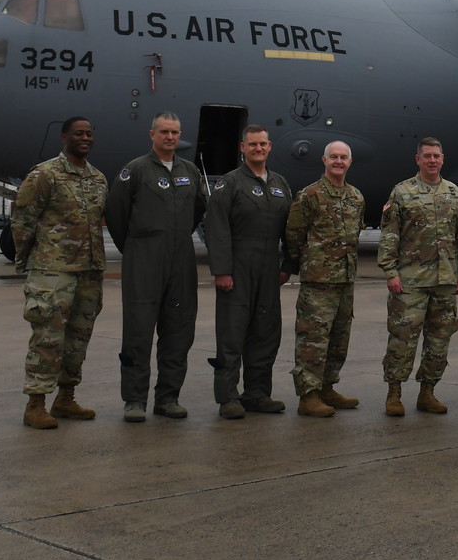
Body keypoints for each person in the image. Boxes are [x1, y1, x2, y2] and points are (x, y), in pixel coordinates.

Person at [105, 111, 208, 421]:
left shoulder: (189, 171)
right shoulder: (134, 171)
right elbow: (116, 213)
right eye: (164, 132)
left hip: (181, 261)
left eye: (175, 132)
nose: (170, 137)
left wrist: (174, 239)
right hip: (143, 261)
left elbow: (199, 208)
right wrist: (137, 247)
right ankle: (134, 400)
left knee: (178, 331)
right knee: (138, 332)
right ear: (152, 135)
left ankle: (168, 398)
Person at [10, 116, 106, 429]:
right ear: (64, 137)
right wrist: (27, 260)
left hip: (88, 272)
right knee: (47, 338)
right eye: (78, 133)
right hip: (52, 270)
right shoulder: (45, 174)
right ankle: (35, 404)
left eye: (89, 134)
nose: (85, 138)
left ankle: (66, 398)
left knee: (78, 338)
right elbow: (23, 220)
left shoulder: (98, 179)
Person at [376, 137, 458, 416]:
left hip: (444, 282)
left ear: (443, 159)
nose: (432, 160)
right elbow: (390, 235)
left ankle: (427, 392)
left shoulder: (454, 193)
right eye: (427, 156)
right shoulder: (403, 192)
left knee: (439, 340)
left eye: (436, 156)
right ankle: (394, 393)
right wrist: (390, 272)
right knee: (402, 338)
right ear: (417, 159)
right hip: (410, 281)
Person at [204, 125, 292, 419]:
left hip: (268, 268)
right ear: (242, 148)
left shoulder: (280, 184)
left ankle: (257, 393)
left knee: (265, 334)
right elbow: (216, 228)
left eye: (262, 144)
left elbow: (290, 230)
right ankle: (228, 396)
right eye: (252, 144)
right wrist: (222, 270)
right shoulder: (229, 184)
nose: (258, 149)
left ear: (269, 148)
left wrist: (287, 265)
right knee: (232, 334)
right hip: (238, 267)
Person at [283, 140, 366, 417]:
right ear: (324, 160)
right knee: (312, 340)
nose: (339, 161)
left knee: (339, 339)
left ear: (350, 162)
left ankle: (328, 387)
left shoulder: (356, 197)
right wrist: (307, 265)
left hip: (345, 280)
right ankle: (308, 396)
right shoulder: (309, 195)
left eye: (343, 157)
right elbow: (294, 236)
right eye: (334, 157)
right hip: (318, 282)